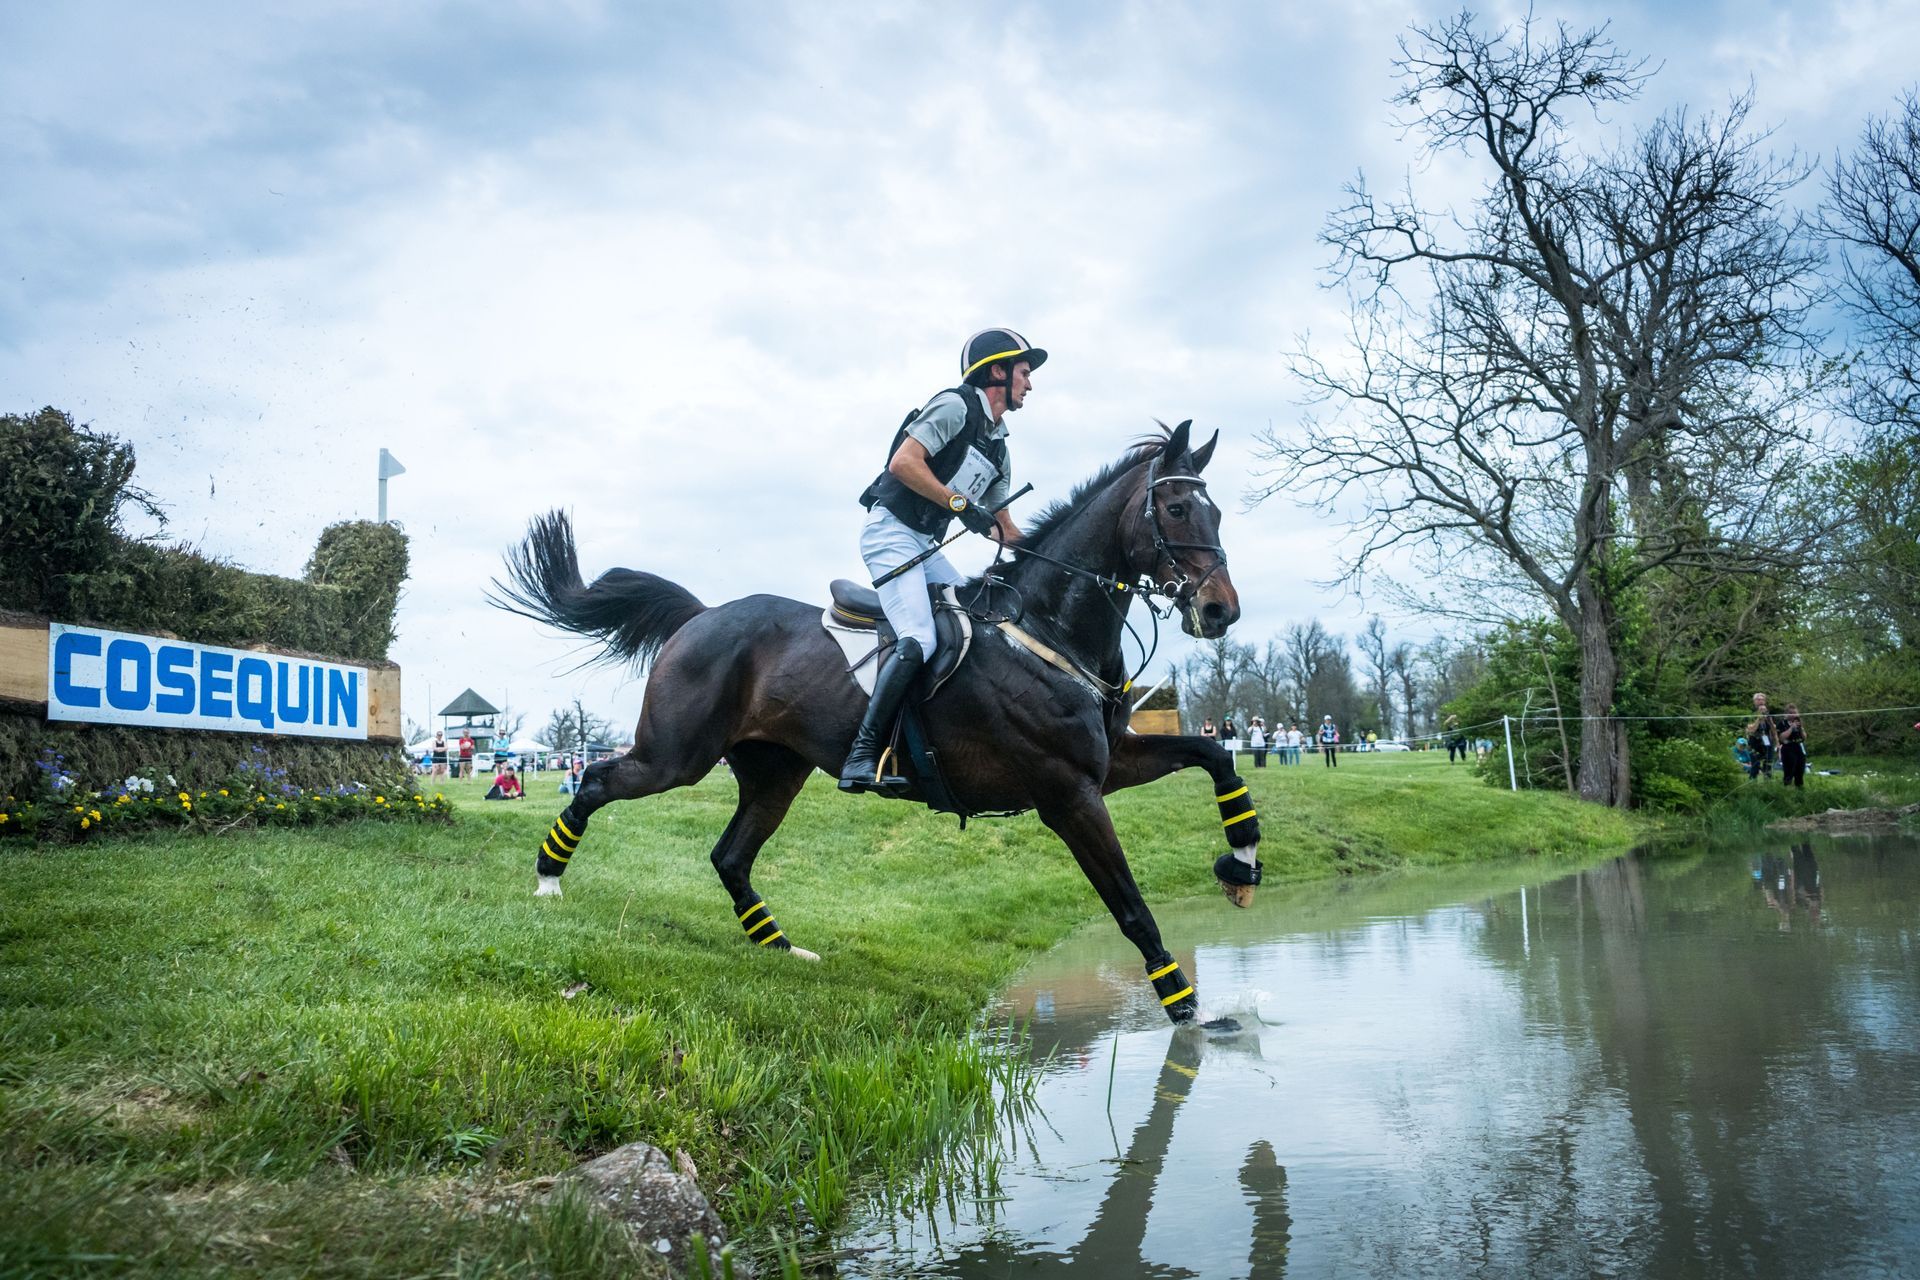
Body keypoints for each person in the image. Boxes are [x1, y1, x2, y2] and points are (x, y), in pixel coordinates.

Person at [840, 328, 1042, 794]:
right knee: (920, 635)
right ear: (998, 371)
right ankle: (862, 753)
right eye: (1025, 373)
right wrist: (957, 505)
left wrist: (1050, 555)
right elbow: (904, 464)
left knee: (975, 618)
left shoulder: (1000, 447)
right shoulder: (955, 406)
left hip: (924, 545)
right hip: (890, 530)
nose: (1030, 385)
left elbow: (1001, 527)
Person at [1746, 692, 1781, 781]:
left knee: (1768, 763)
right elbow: (1751, 729)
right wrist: (1759, 717)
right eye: (1758, 699)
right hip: (1754, 741)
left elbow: (1773, 729)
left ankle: (1767, 783)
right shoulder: (1751, 713)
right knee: (1755, 764)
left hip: (1767, 740)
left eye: (1762, 699)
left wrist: (1777, 743)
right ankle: (1752, 783)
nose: (1761, 701)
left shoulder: (1768, 714)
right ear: (1754, 702)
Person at [1780, 703, 1808, 789]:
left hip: (1799, 746)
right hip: (1788, 748)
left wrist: (1801, 728)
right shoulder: (1782, 723)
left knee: (1800, 769)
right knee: (1789, 769)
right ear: (1787, 714)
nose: (1794, 715)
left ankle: (1799, 788)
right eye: (1792, 713)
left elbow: (1804, 737)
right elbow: (1781, 738)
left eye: (1795, 713)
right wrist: (1791, 728)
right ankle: (1787, 787)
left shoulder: (1799, 723)